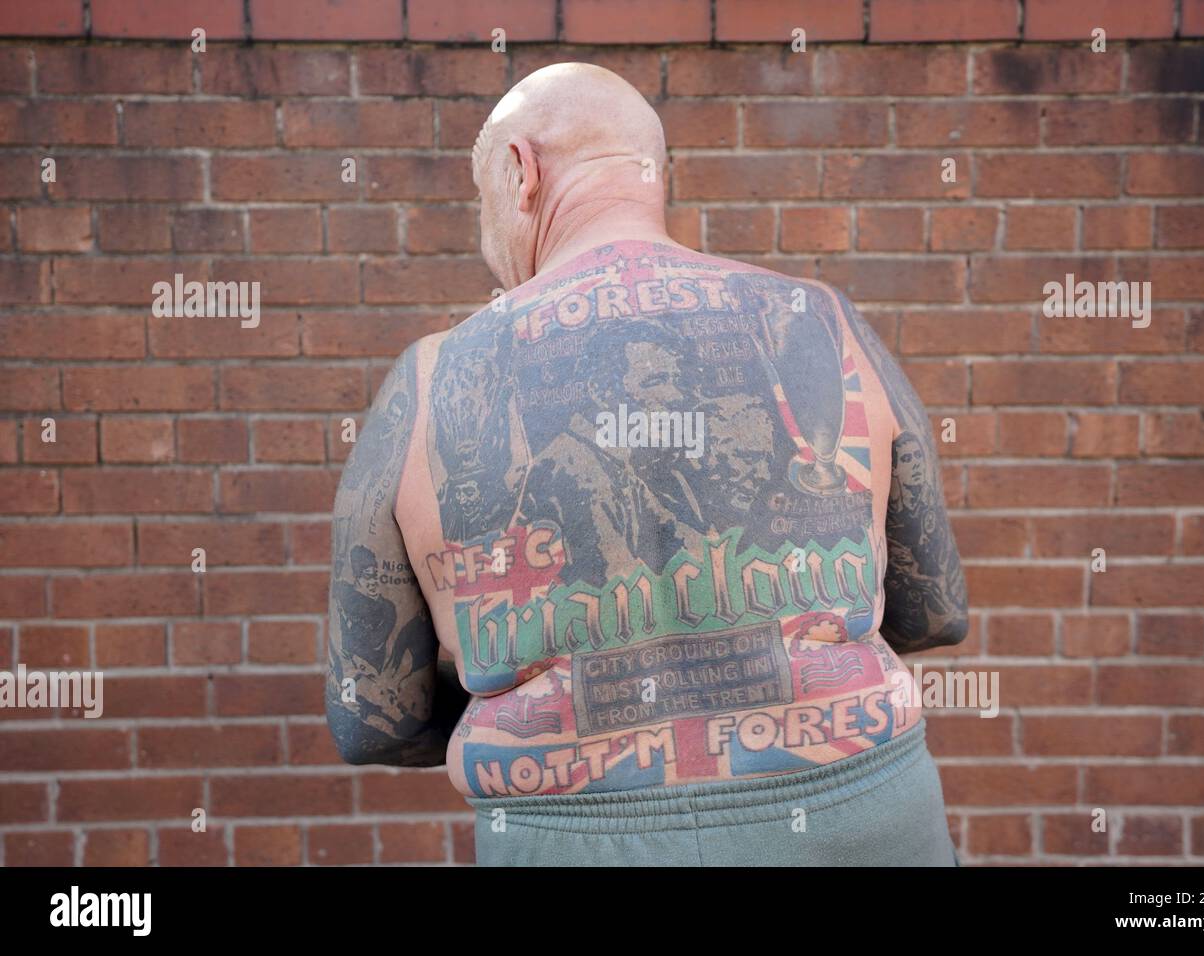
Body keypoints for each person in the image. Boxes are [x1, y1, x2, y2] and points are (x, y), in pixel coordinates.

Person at [326, 62, 969, 865]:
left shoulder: (426, 383)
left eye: (480, 202)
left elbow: (372, 718)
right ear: (655, 175)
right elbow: (934, 609)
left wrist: (534, 677)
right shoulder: (821, 321)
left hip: (573, 840)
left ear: (519, 173)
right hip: (859, 820)